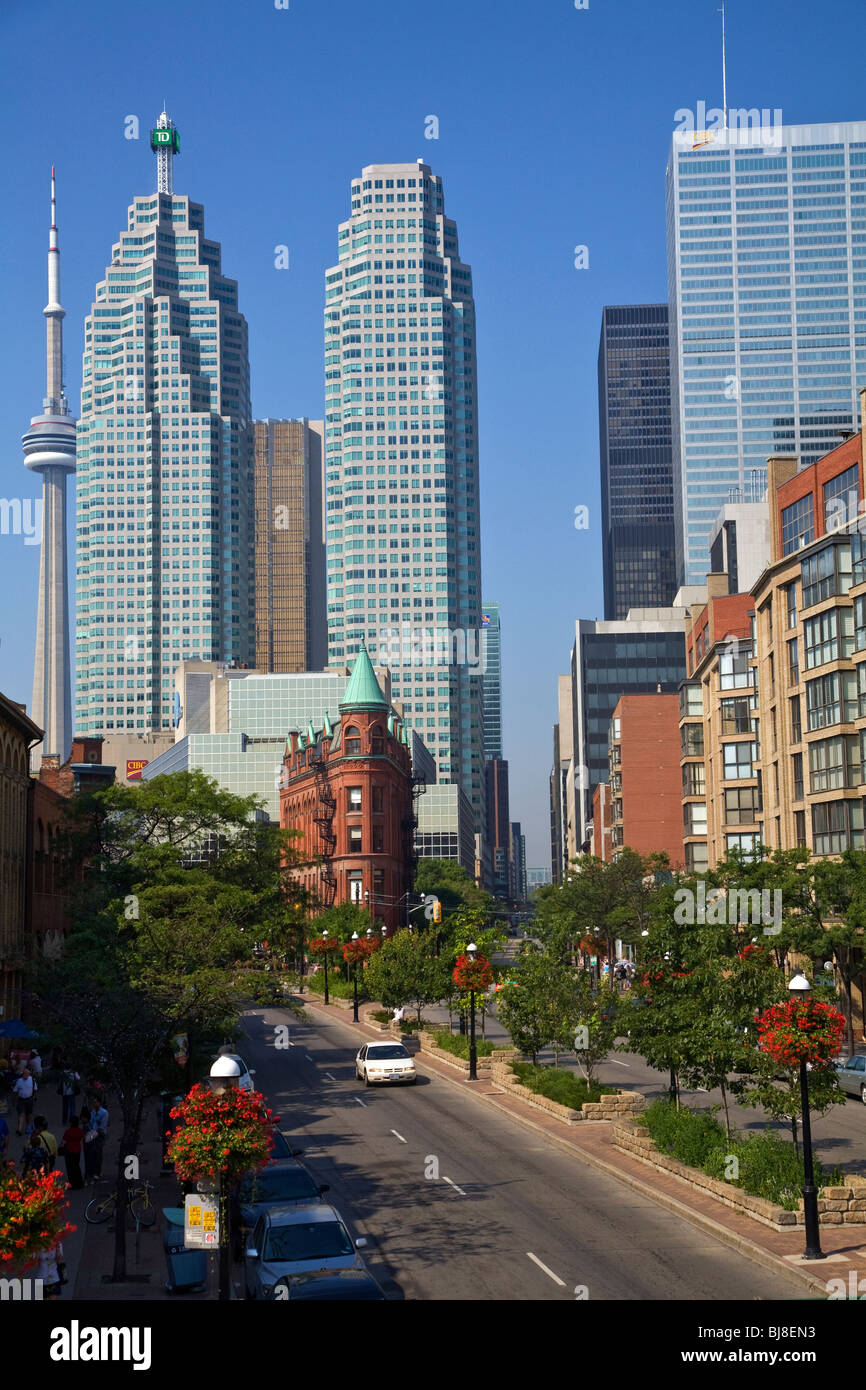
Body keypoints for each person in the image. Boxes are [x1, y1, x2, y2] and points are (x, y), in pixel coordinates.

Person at [87, 1098, 109, 1183]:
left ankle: (98, 1172)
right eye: (93, 1102)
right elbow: (91, 1123)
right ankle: (93, 1171)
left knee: (98, 1153)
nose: (94, 1104)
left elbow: (102, 1126)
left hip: (99, 1135)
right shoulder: (92, 1112)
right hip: (93, 1134)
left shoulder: (104, 1113)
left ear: (99, 1103)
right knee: (92, 1153)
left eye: (96, 1102)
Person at [61, 1115, 85, 1190]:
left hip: (69, 1150)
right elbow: (82, 1138)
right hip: (77, 1150)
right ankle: (79, 1182)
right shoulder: (80, 1131)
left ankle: (72, 1183)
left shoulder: (68, 1131)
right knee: (76, 1166)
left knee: (70, 1168)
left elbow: (64, 1141)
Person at [13, 1068, 36, 1136]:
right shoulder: (19, 1081)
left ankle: (27, 1127)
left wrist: (33, 1096)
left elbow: (35, 1089)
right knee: (21, 1114)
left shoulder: (32, 1080)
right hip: (21, 1100)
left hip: (29, 1099)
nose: (25, 1075)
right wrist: (13, 1101)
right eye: (24, 1074)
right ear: (22, 1074)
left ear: (29, 1074)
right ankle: (19, 1129)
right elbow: (15, 1091)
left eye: (27, 1074)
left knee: (28, 1114)